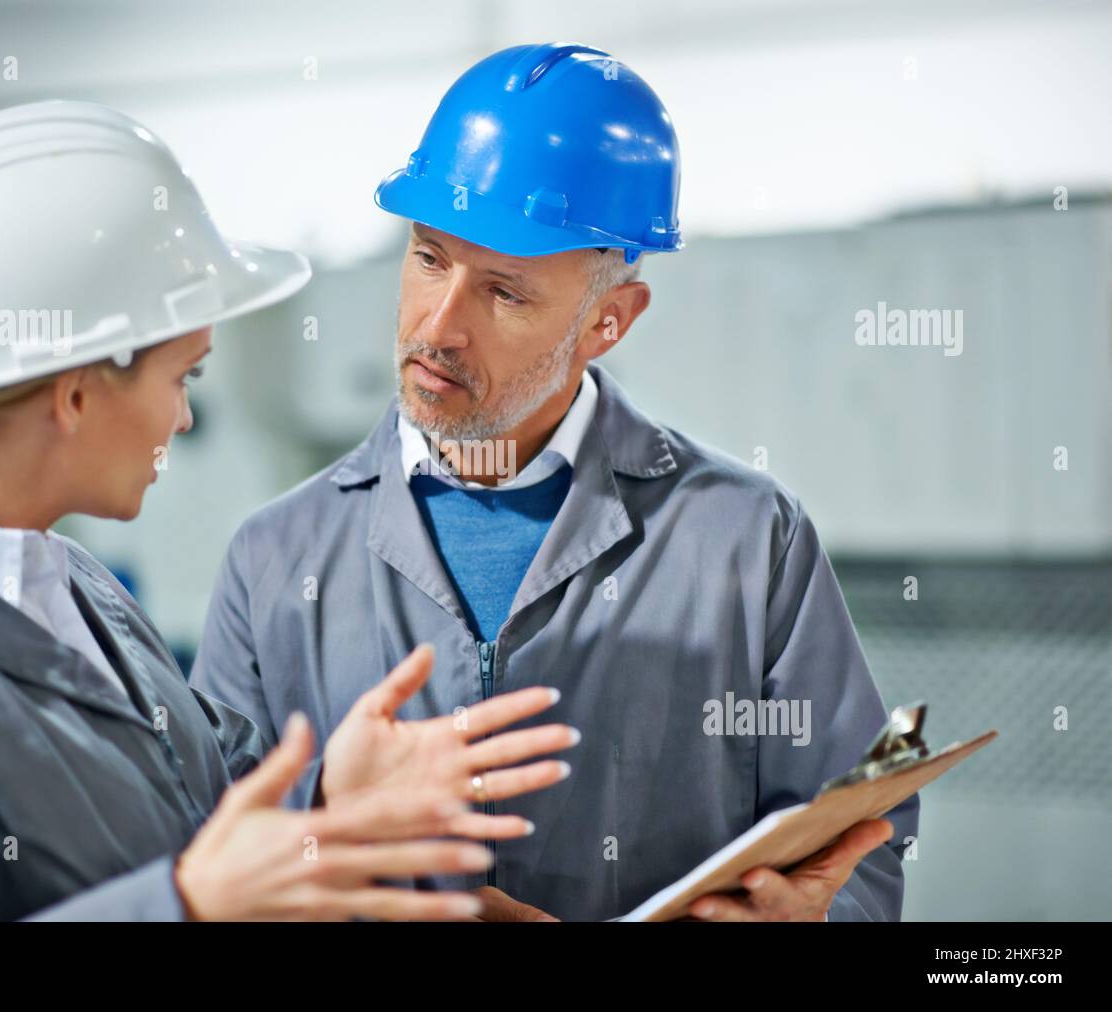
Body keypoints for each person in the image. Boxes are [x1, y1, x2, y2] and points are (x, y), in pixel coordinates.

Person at [190, 43, 918, 922]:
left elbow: (858, 855)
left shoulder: (746, 543)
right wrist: (331, 818)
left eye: (505, 292)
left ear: (609, 320)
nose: (440, 326)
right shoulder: (276, 557)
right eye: (428, 258)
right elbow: (205, 850)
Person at [0, 100, 578, 922]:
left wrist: (329, 798)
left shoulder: (71, 586)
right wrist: (180, 907)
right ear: (74, 394)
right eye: (186, 377)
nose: (182, 419)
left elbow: (201, 803)